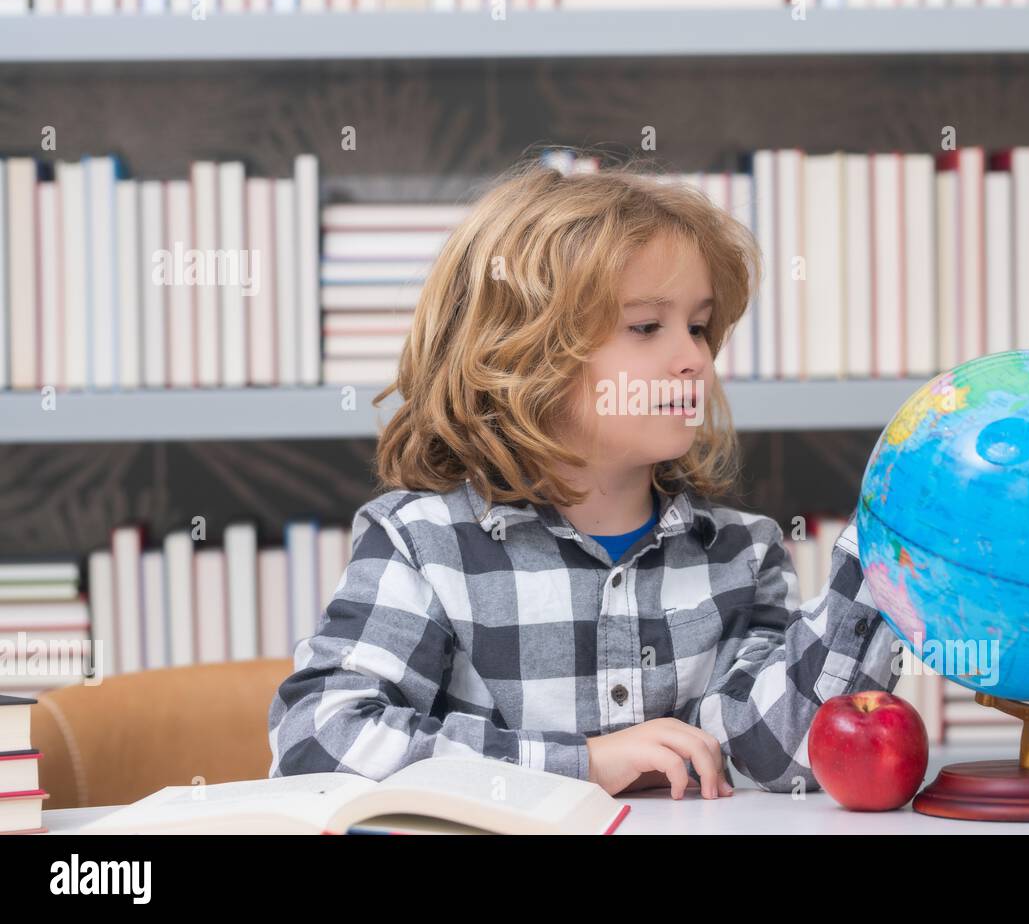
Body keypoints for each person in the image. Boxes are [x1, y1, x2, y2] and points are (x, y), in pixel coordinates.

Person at [267, 157, 900, 799]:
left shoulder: (743, 553)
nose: (695, 361)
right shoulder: (424, 545)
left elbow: (776, 756)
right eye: (647, 327)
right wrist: (583, 765)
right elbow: (319, 740)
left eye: (700, 327)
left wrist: (891, 543)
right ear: (521, 353)